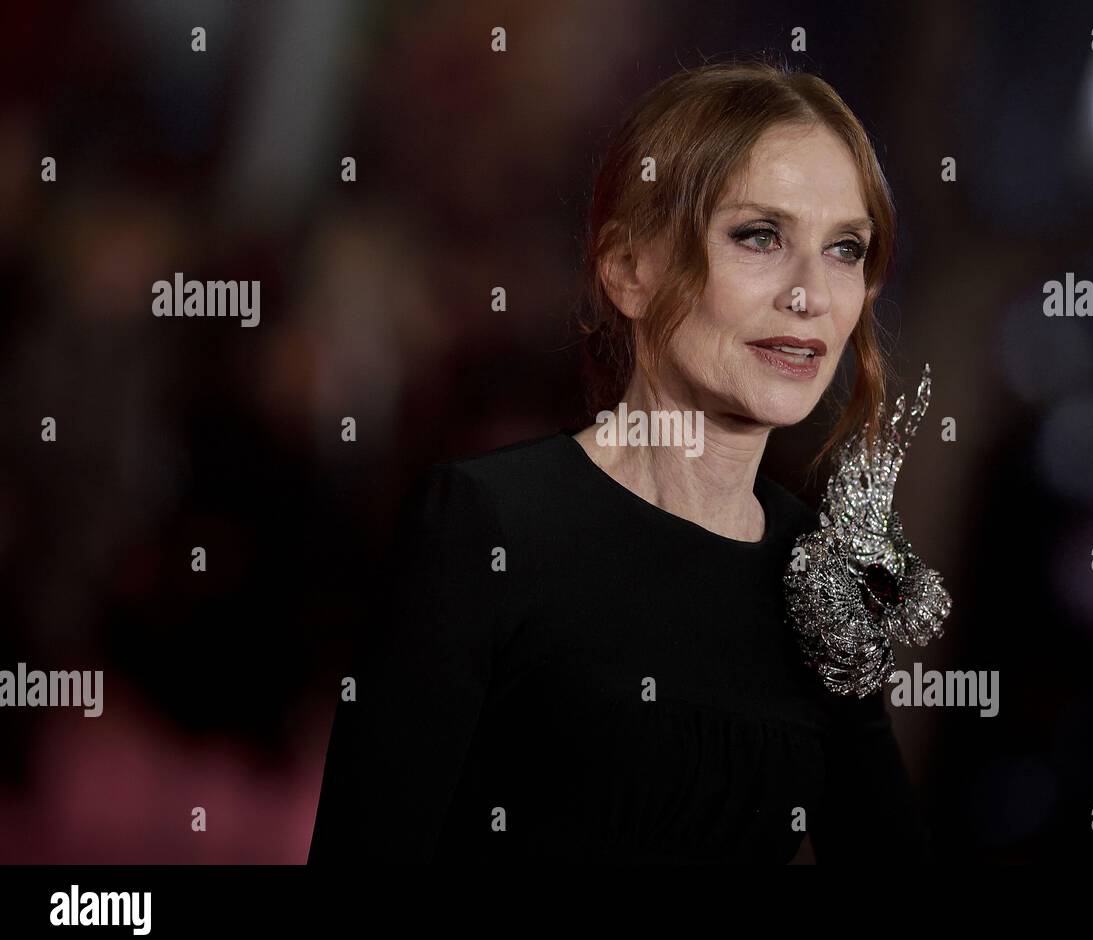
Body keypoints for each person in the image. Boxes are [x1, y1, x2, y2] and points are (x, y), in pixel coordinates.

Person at [308, 58, 933, 864]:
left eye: (846, 248)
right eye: (760, 236)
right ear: (630, 270)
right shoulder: (488, 524)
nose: (810, 292)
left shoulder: (822, 576)